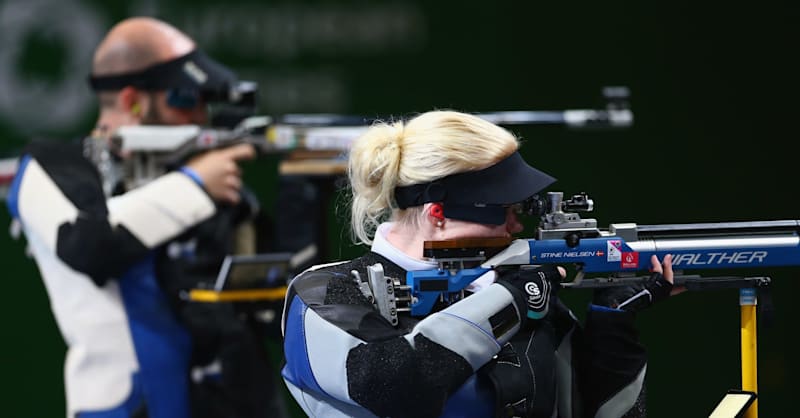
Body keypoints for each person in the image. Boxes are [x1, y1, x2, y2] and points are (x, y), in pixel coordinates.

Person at [280, 109, 678, 417]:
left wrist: (613, 328)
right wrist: (513, 299)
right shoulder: (325, 294)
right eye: (501, 209)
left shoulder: (515, 292)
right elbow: (397, 386)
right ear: (437, 212)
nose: (516, 223)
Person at [5, 17, 282, 418]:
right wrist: (195, 185)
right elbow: (90, 247)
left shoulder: (204, 181)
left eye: (206, 100)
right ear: (133, 99)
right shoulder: (52, 166)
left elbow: (272, 303)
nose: (199, 116)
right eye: (185, 99)